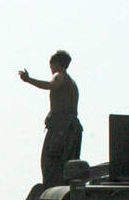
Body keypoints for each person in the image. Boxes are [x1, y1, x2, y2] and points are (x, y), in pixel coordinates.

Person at [19, 50, 83, 186]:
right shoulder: (72, 83)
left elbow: (51, 85)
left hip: (61, 128)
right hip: (71, 127)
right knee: (67, 166)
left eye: (51, 66)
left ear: (56, 64)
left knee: (50, 163)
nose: (51, 70)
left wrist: (28, 80)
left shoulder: (59, 76)